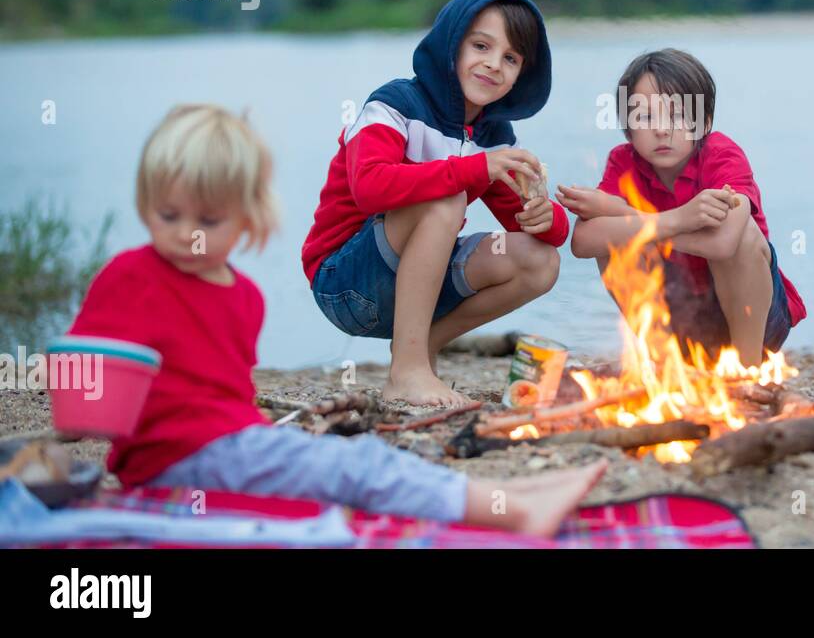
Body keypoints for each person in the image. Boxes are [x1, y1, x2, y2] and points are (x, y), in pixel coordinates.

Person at [67, 104, 604, 535]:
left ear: (248, 218)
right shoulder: (129, 277)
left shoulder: (245, 297)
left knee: (350, 459)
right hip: (179, 460)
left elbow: (226, 398)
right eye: (169, 215)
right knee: (358, 468)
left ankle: (509, 495)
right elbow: (82, 386)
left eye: (209, 220)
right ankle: (507, 510)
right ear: (144, 203)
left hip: (231, 444)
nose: (188, 232)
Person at [302, 0, 570, 408]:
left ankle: (420, 349)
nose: (493, 65)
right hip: (346, 283)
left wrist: (547, 217)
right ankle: (406, 373)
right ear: (451, 44)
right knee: (447, 198)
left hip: (418, 287)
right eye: (481, 46)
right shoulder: (395, 104)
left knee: (541, 262)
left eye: (511, 58)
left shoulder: (491, 135)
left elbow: (539, 233)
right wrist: (475, 170)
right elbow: (370, 188)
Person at [558, 49, 806, 366]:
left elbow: (723, 243)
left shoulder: (721, 155)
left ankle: (746, 373)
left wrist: (625, 214)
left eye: (677, 116)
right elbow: (583, 242)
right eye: (645, 117)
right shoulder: (623, 161)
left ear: (704, 122)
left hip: (753, 320)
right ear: (627, 128)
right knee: (610, 240)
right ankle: (666, 363)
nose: (662, 130)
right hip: (679, 317)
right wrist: (678, 220)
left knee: (744, 234)